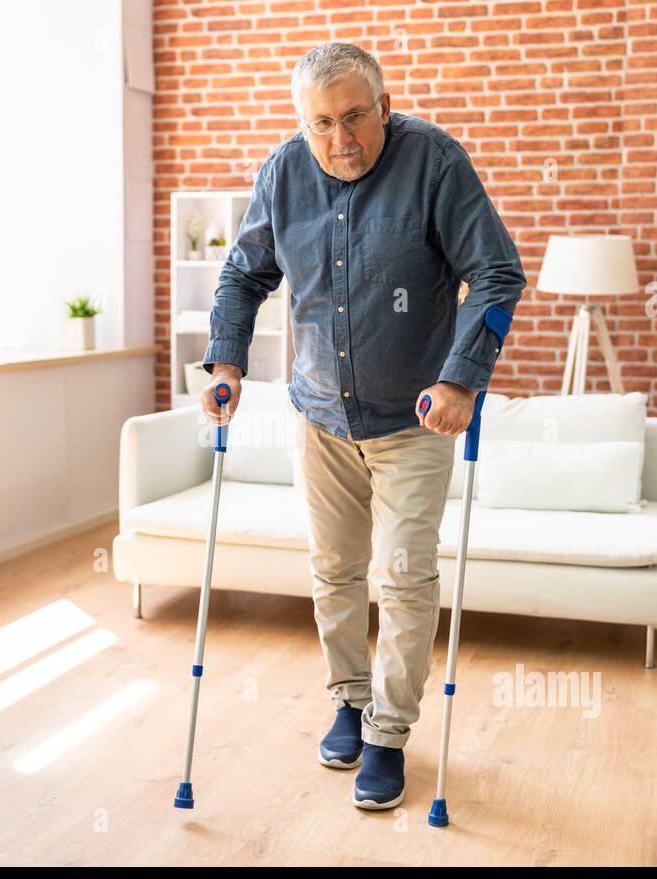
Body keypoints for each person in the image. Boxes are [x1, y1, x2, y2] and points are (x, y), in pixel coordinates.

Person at [199, 41, 526, 811]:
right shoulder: (284, 172)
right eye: (321, 123)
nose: (340, 139)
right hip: (318, 416)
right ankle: (348, 699)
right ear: (301, 123)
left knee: (405, 577)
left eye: (353, 117)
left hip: (413, 421)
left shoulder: (435, 162)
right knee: (334, 572)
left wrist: (459, 379)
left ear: (383, 105)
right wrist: (226, 364)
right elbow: (245, 273)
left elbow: (498, 271)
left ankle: (388, 731)